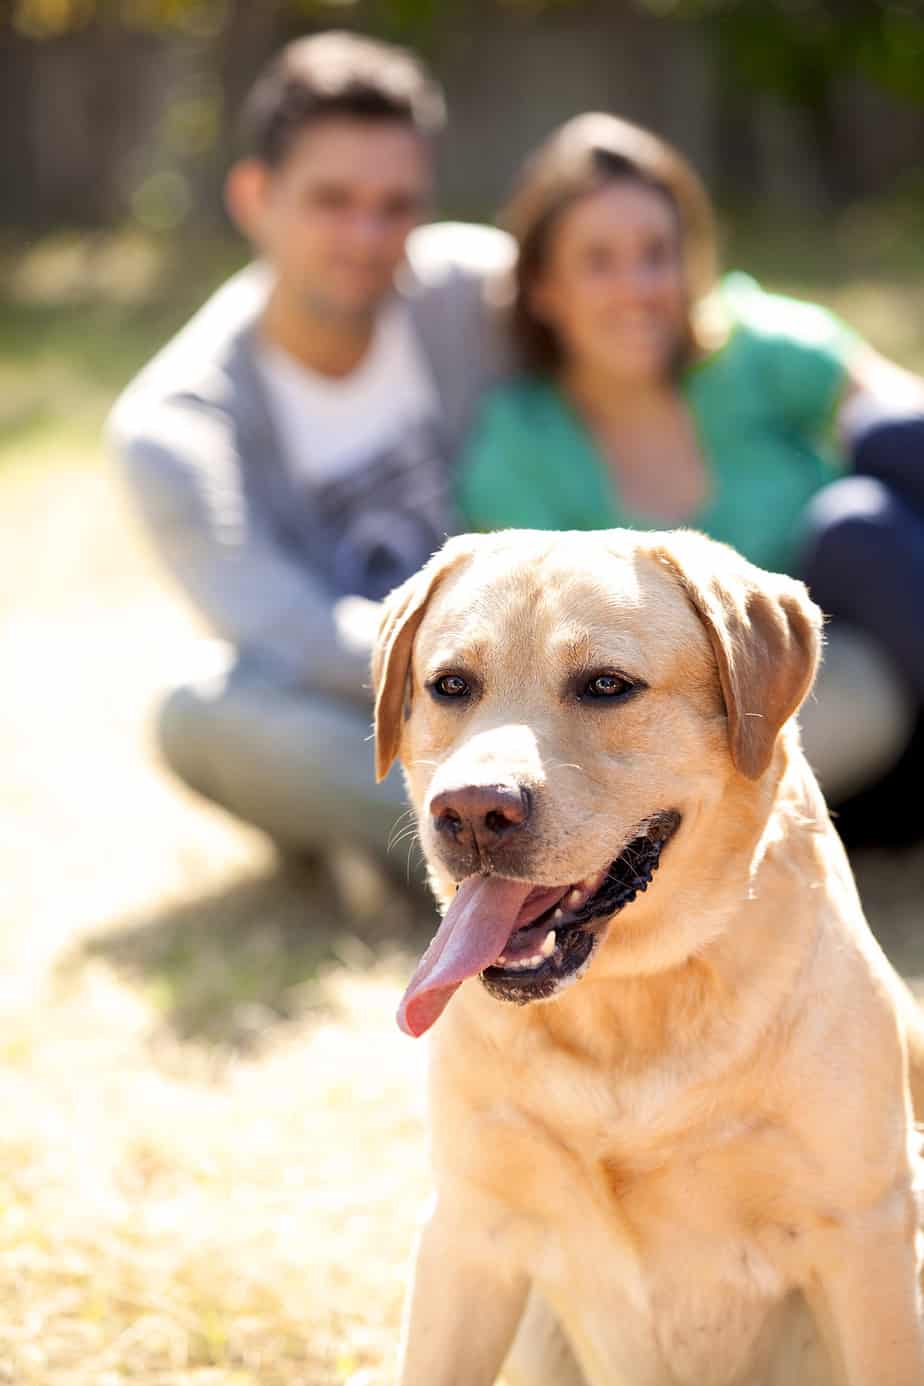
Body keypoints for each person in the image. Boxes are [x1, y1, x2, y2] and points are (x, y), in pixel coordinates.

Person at [108, 32, 513, 883]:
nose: (367, 234)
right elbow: (288, 632)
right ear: (256, 198)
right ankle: (503, 847)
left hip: (550, 672)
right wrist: (474, 685)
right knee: (202, 713)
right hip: (375, 702)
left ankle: (480, 844)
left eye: (396, 204)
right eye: (332, 199)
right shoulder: (175, 427)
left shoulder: (478, 293)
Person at [457, 112, 924, 808]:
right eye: (599, 261)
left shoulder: (752, 347)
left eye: (657, 253)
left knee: (875, 484)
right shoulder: (520, 451)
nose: (639, 286)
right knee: (857, 528)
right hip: (754, 737)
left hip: (885, 651)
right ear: (546, 289)